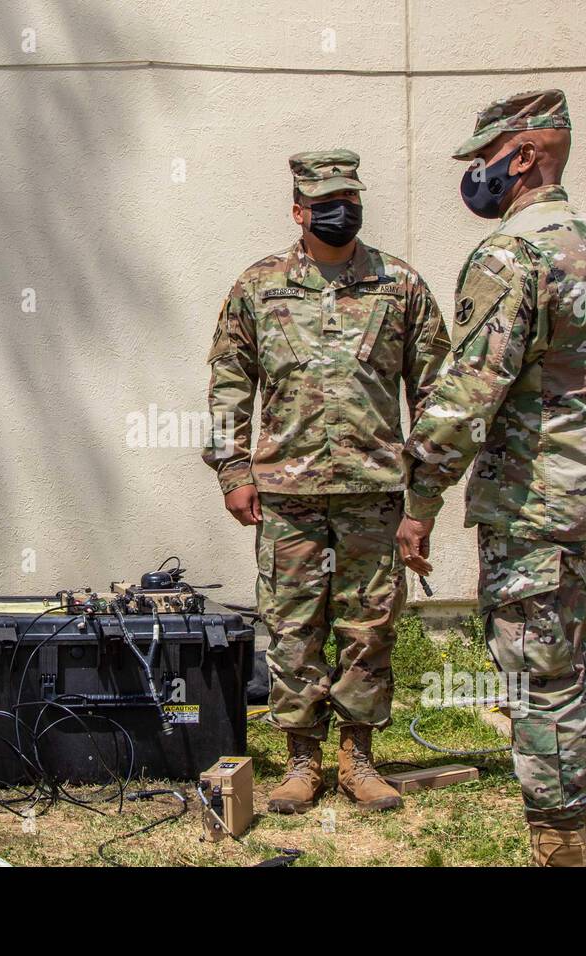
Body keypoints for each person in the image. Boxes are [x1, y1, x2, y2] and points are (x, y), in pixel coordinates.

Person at [397, 91, 586, 865]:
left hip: (538, 511)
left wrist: (420, 497)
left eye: (486, 158)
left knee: (541, 687)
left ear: (526, 156)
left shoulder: (513, 255)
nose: (477, 175)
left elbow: (470, 392)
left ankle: (562, 850)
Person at [203, 150, 450, 814]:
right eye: (325, 201)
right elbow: (230, 383)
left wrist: (423, 498)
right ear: (299, 211)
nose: (341, 210)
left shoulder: (400, 286)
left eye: (350, 198)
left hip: (374, 493)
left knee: (369, 627)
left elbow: (435, 397)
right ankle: (302, 761)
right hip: (288, 496)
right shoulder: (259, 286)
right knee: (292, 627)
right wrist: (233, 468)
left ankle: (358, 757)